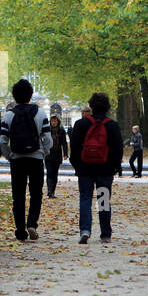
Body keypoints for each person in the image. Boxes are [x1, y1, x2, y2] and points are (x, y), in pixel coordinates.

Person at [0, 78, 51, 241]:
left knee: (18, 196)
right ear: (30, 95)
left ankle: (20, 230)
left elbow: (2, 141)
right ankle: (32, 224)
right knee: (36, 193)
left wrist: (10, 156)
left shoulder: (9, 115)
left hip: (17, 160)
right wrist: (43, 153)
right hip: (36, 158)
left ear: (14, 96)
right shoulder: (40, 113)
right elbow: (47, 138)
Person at [69, 92, 122, 244]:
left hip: (85, 168)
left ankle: (85, 229)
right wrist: (115, 167)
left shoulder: (81, 124)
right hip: (105, 169)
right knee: (103, 199)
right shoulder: (112, 125)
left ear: (91, 106)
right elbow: (118, 149)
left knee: (85, 198)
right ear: (107, 107)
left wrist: (77, 166)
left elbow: (74, 147)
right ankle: (105, 233)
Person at [45, 114, 68, 198]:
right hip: (48, 154)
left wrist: (65, 154)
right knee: (49, 172)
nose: (53, 122)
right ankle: (49, 190)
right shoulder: (47, 130)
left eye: (55, 121)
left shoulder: (61, 130)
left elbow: (64, 143)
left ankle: (52, 191)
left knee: (55, 174)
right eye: (52, 121)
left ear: (58, 122)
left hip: (57, 154)